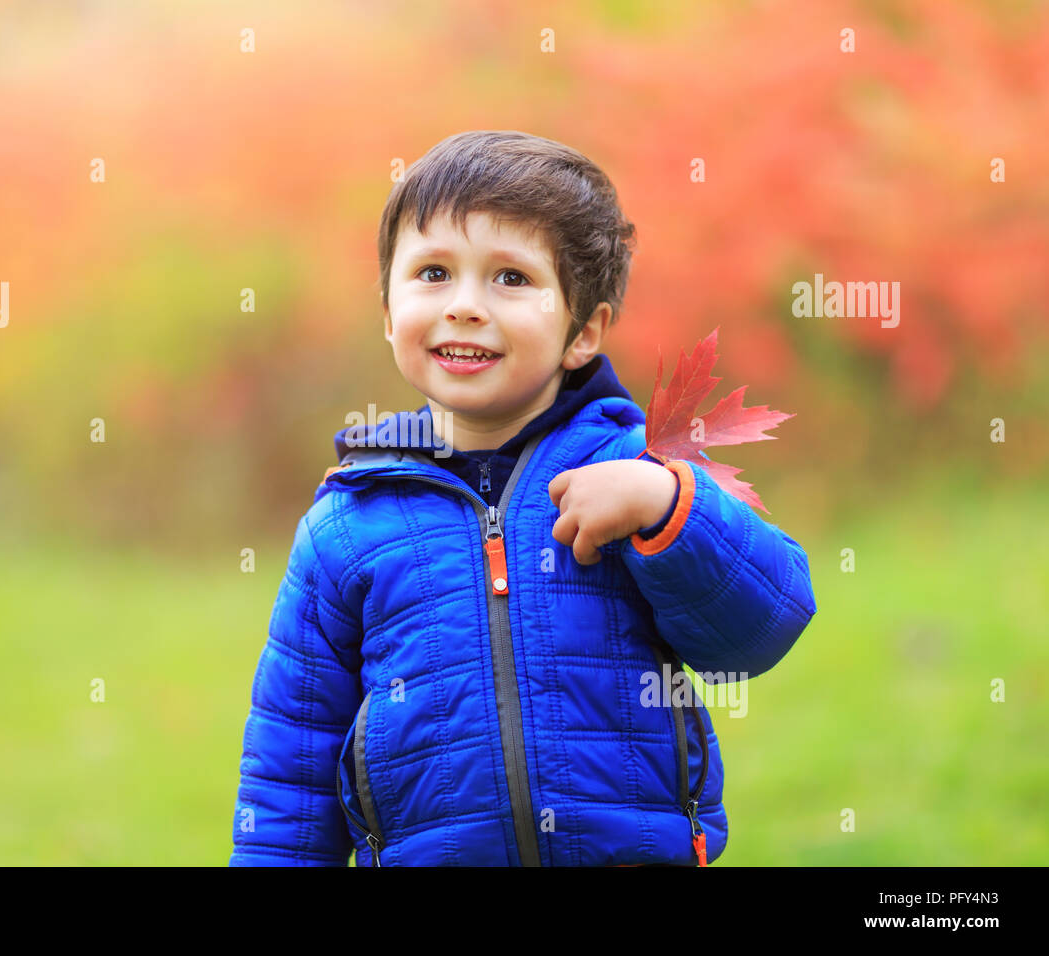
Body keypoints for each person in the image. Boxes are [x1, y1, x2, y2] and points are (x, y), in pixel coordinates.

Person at [229, 130, 817, 866]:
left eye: (510, 278)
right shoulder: (346, 527)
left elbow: (762, 629)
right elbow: (290, 770)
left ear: (584, 331)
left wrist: (667, 508)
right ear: (387, 312)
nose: (466, 306)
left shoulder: (637, 473)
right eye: (433, 272)